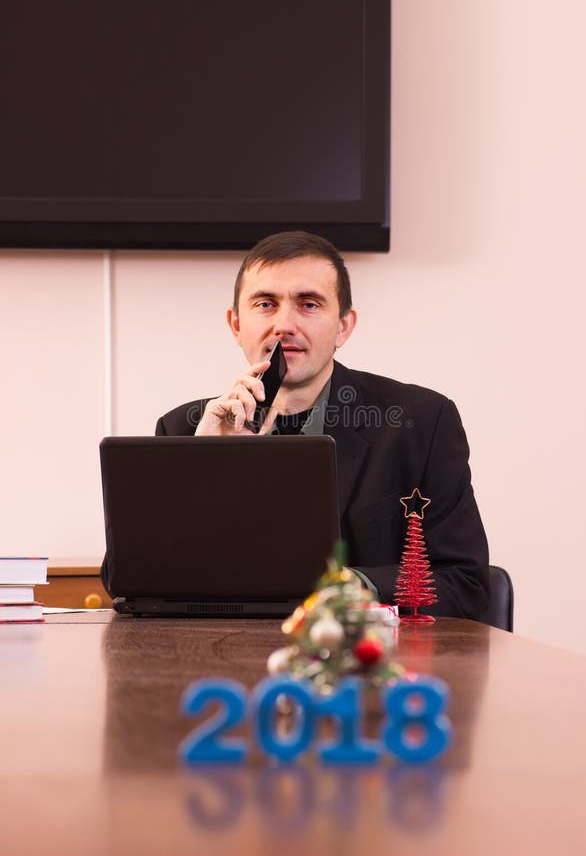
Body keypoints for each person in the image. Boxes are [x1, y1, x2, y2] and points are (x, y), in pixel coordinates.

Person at [102, 231, 489, 617]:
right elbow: (125, 581)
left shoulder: (421, 422)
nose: (284, 324)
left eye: (308, 304)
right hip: (220, 659)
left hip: (358, 665)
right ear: (236, 324)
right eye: (266, 304)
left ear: (343, 326)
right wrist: (204, 462)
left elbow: (466, 584)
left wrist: (354, 586)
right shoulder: (183, 429)